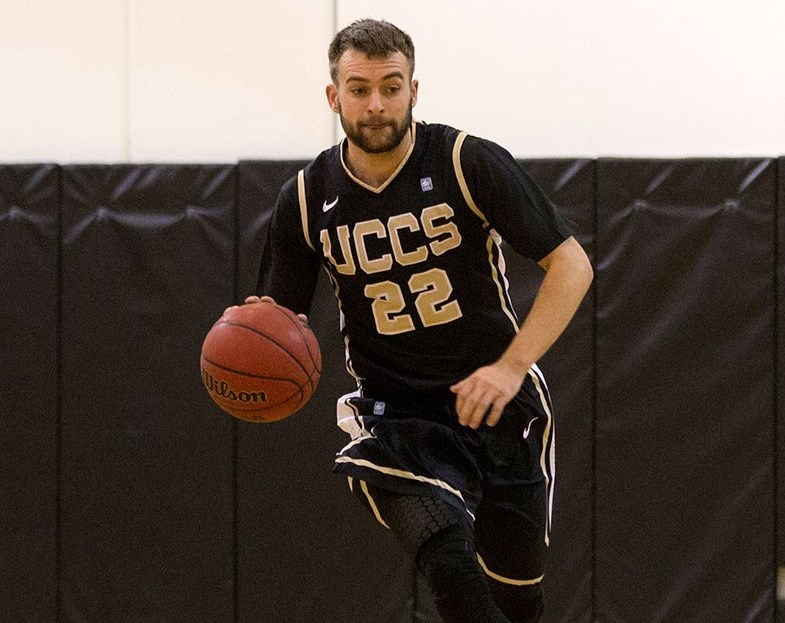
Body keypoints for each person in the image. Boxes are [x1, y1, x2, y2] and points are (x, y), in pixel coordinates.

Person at [247, 18, 593, 623]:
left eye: (391, 86)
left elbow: (571, 265)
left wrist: (512, 369)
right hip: (394, 415)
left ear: (414, 90)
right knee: (450, 565)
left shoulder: (465, 161)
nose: (376, 104)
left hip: (497, 405)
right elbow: (280, 321)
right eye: (359, 89)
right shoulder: (305, 198)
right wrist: (251, 344)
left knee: (517, 601)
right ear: (334, 97)